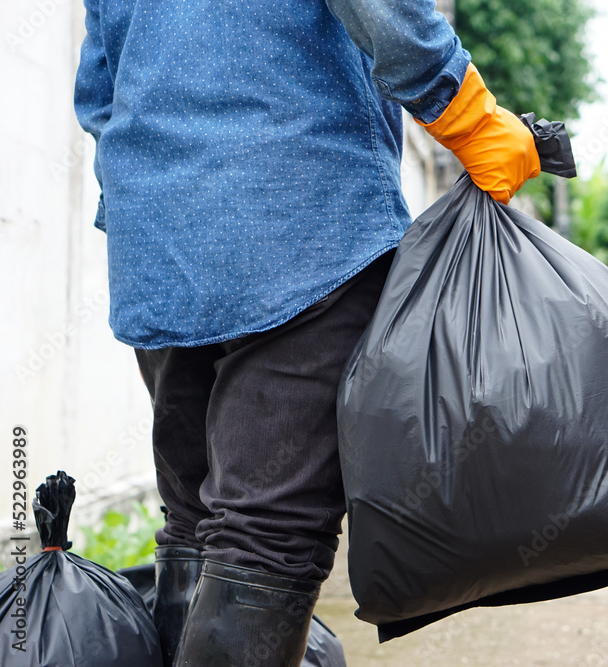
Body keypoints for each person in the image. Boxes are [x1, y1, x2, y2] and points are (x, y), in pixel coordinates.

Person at [73, 1, 540, 664]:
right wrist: (470, 117)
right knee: (267, 534)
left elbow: (98, 85)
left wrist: (153, 186)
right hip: (305, 228)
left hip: (160, 243)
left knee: (195, 521)